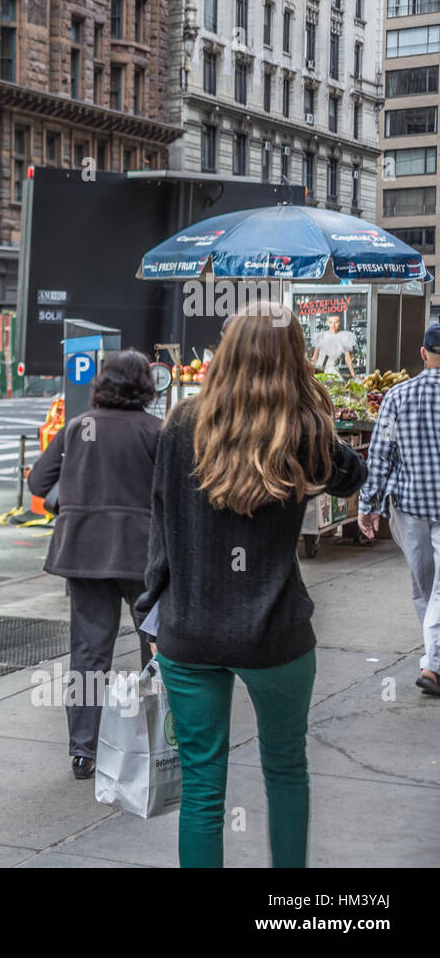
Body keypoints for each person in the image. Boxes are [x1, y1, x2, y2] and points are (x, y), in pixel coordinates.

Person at [136, 301, 366, 868]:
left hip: (190, 630)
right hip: (276, 633)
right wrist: (311, 405)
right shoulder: (304, 429)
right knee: (286, 770)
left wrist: (152, 612)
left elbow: (160, 528)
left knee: (203, 788)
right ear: (293, 359)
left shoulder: (183, 424)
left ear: (227, 351)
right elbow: (351, 478)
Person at [27, 349, 160, 780]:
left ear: (101, 384)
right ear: (145, 385)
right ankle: (153, 738)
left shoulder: (78, 428)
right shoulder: (156, 431)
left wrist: (77, 495)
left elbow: (37, 482)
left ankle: (83, 752)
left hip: (84, 554)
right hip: (142, 556)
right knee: (155, 649)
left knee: (89, 654)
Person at [357, 323, 440, 697]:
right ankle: (435, 661)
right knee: (431, 589)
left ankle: (433, 664)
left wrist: (367, 505)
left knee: (426, 587)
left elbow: (380, 455)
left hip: (409, 507)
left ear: (423, 354)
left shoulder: (397, 396)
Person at [310, 312, 357, 379]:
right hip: (320, 370)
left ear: (339, 323)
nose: (333, 325)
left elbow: (348, 358)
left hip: (332, 370)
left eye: (336, 322)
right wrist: (310, 374)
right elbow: (314, 358)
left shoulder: (343, 337)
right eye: (331, 322)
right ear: (328, 323)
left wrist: (353, 375)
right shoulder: (321, 336)